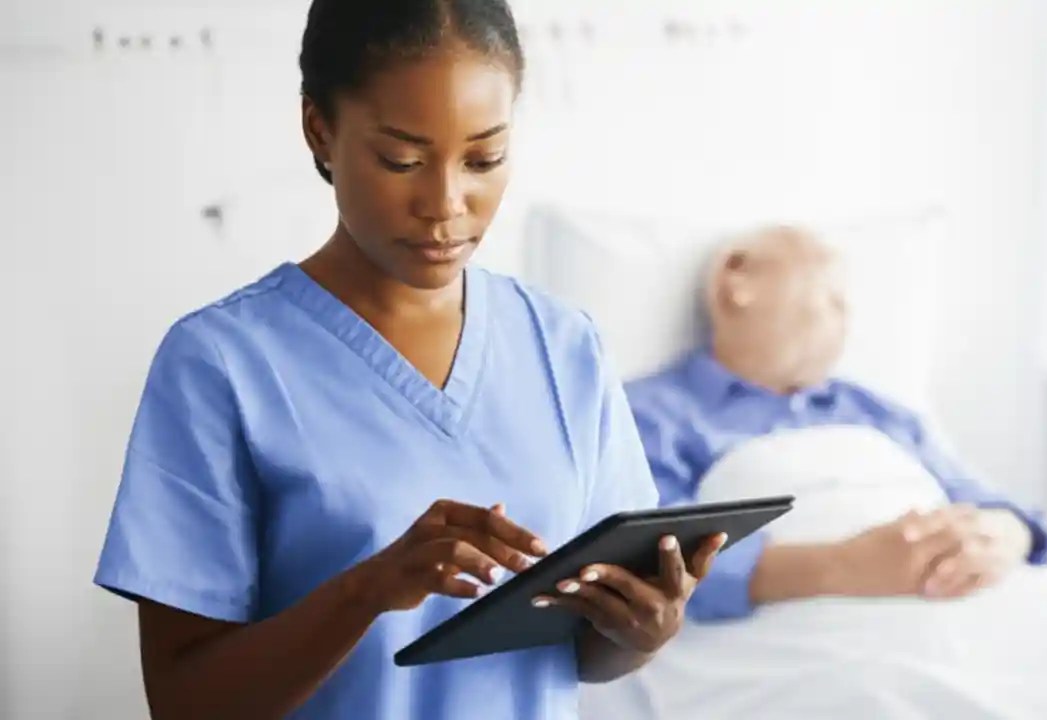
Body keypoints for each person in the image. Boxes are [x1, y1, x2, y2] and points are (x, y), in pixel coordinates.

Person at [92, 2, 726, 718]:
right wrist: (367, 590)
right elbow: (185, 703)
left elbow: (580, 650)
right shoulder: (222, 364)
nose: (446, 203)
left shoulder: (563, 346)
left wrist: (645, 632)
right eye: (402, 160)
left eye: (484, 158)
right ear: (319, 130)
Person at [625, 225, 1047, 623]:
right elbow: (646, 556)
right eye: (831, 295)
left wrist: (1003, 538)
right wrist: (842, 566)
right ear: (737, 281)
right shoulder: (651, 414)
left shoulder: (879, 411)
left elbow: (994, 506)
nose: (847, 315)